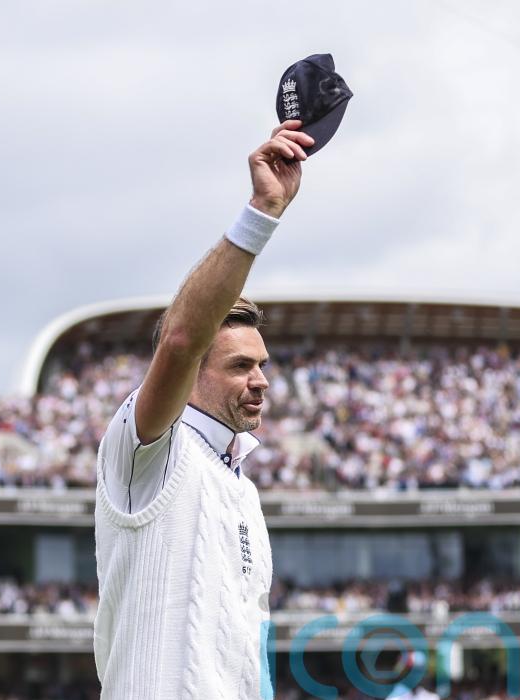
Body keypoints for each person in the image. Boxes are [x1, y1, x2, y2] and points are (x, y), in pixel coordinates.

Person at [93, 119, 314, 698]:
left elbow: (248, 647)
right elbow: (182, 338)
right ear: (192, 372)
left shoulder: (240, 482)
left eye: (262, 364)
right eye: (240, 366)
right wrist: (262, 211)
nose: (261, 381)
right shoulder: (147, 448)